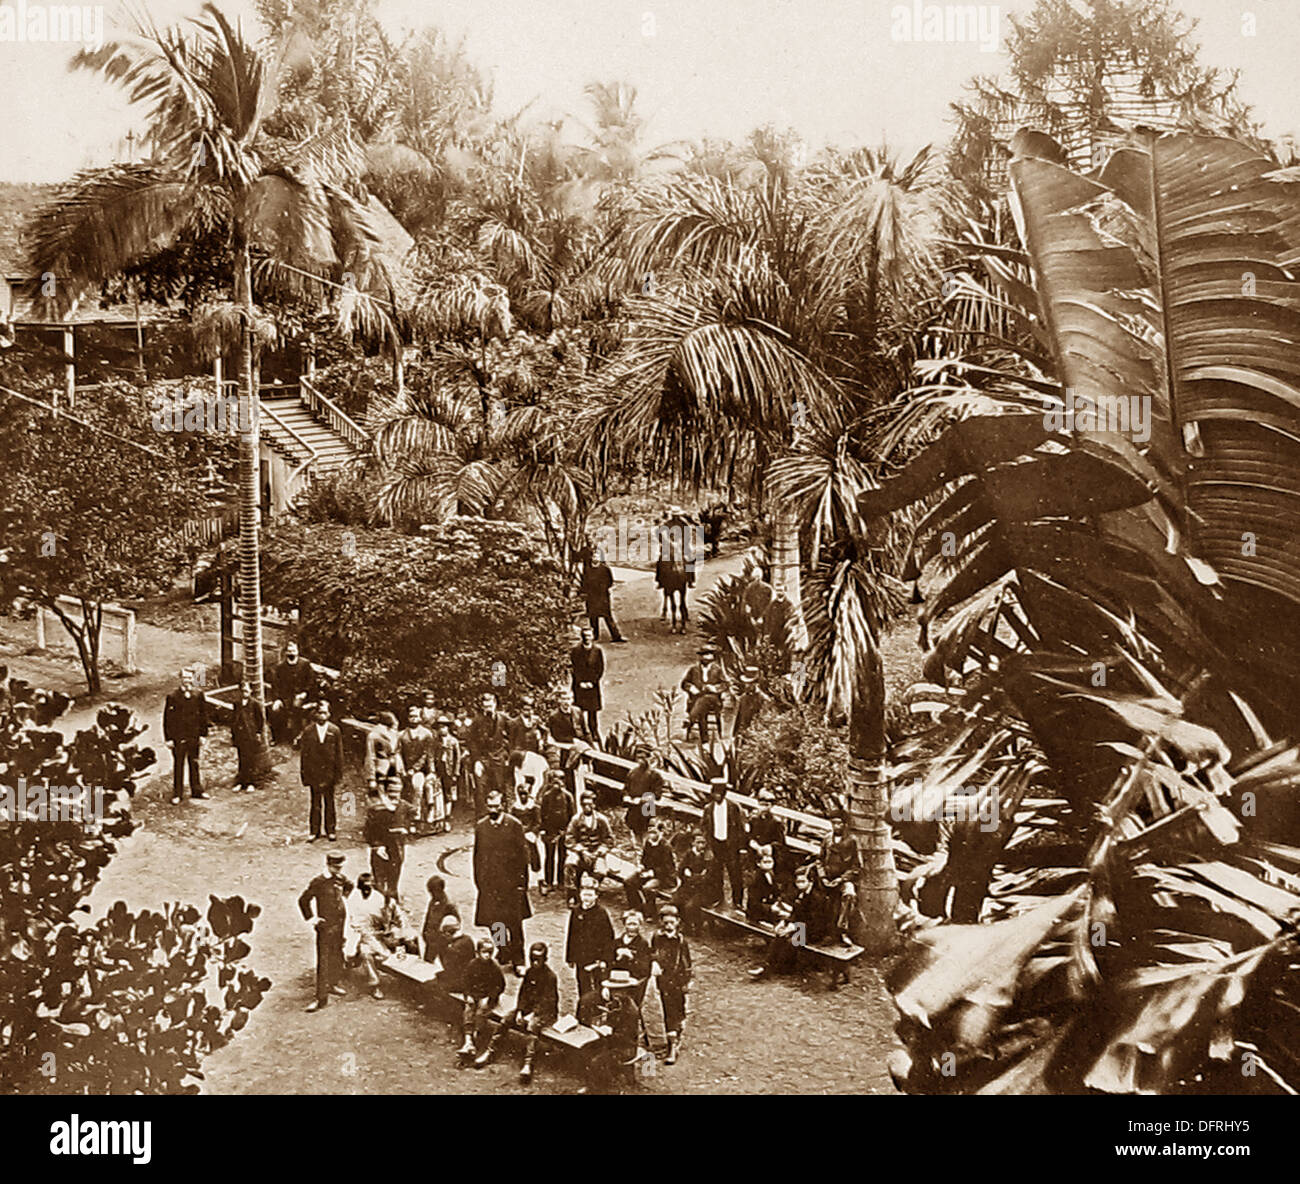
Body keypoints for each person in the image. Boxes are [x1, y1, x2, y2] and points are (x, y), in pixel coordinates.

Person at [474, 941, 559, 1081]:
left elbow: (547, 1001)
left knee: (532, 1027)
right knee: (506, 1019)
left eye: (539, 959)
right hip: (528, 1010)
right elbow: (523, 994)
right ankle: (490, 1052)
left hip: (545, 1013)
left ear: (545, 959)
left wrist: (531, 1015)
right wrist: (519, 1011)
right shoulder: (530, 972)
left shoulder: (550, 977)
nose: (535, 963)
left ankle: (528, 1063)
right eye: (533, 959)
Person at [473, 789, 532, 973]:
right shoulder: (481, 827)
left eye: (496, 806)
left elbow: (523, 856)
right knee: (495, 922)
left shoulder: (514, 825)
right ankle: (504, 950)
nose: (493, 810)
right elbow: (478, 856)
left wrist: (523, 884)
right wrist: (480, 882)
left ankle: (519, 960)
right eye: (489, 806)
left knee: (514, 923)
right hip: (491, 886)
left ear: (503, 806)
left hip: (511, 885)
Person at [748, 865, 839, 983]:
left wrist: (794, 927)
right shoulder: (801, 894)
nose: (799, 884)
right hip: (803, 928)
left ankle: (782, 968)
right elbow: (796, 914)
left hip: (816, 933)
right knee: (780, 935)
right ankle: (767, 966)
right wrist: (784, 922)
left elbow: (817, 924)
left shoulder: (818, 898)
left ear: (810, 882)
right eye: (797, 881)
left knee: (793, 941)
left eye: (802, 881)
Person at [299, 851, 353, 1011]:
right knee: (324, 960)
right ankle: (320, 997)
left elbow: (349, 886)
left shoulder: (341, 878)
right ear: (329, 865)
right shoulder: (319, 882)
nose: (339, 870)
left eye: (341, 867)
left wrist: (344, 899)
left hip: (340, 923)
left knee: (337, 953)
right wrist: (312, 918)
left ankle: (333, 984)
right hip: (326, 926)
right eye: (336, 867)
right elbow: (303, 900)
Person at [582, 969, 645, 1092]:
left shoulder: (630, 1011)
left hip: (625, 1048)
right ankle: (594, 1086)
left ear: (626, 990)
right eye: (614, 990)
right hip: (612, 1042)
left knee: (597, 1062)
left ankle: (610, 1090)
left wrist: (609, 1033)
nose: (617, 993)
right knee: (587, 1051)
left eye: (620, 990)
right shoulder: (617, 1003)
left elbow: (627, 1038)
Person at [650, 905, 692, 1064]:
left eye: (671, 923)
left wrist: (686, 981)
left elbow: (687, 962)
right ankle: (671, 1044)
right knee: (668, 1010)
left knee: (678, 1007)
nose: (668, 926)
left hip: (678, 979)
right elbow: (653, 952)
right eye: (665, 922)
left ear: (677, 922)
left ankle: (677, 1034)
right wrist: (654, 962)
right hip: (664, 979)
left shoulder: (681, 941)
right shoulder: (656, 937)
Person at [300, 700, 344, 842]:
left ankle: (330, 830)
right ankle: (314, 831)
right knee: (315, 803)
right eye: (320, 712)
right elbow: (304, 755)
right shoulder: (308, 731)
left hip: (329, 773)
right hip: (314, 772)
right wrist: (305, 775)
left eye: (325, 712)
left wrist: (338, 774)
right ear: (315, 714)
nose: (322, 715)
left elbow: (339, 754)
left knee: (329, 802)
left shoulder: (334, 730)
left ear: (329, 714)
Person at [163, 668, 209, 804]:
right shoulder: (173, 696)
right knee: (179, 764)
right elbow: (167, 719)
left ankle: (197, 790)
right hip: (179, 737)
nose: (187, 680)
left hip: (194, 736)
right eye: (185, 678)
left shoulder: (198, 695)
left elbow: (203, 716)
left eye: (189, 678)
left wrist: (203, 735)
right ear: (180, 679)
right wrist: (169, 738)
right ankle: (177, 793)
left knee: (194, 763)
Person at [815, 814, 861, 947]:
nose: (836, 826)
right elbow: (819, 860)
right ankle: (822, 931)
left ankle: (842, 931)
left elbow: (856, 866)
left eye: (839, 823)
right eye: (834, 823)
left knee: (849, 894)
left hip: (842, 879)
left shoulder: (852, 841)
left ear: (845, 825)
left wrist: (841, 879)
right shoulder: (827, 838)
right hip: (826, 878)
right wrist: (823, 876)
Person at [700, 777, 746, 909]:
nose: (717, 796)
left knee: (735, 873)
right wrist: (708, 842)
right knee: (716, 873)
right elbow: (704, 826)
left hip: (731, 845)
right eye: (714, 793)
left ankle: (737, 901)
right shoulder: (709, 808)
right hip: (716, 844)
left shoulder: (734, 807)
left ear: (724, 794)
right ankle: (718, 898)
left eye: (719, 794)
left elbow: (741, 828)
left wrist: (741, 847)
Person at [565, 881, 615, 1001]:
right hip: (581, 956)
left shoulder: (601, 913)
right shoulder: (576, 911)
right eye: (584, 895)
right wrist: (570, 958)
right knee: (582, 983)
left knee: (598, 983)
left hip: (596, 956)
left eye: (590, 895)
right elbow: (572, 934)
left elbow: (609, 938)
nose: (586, 898)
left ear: (596, 896)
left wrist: (605, 958)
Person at [459, 936, 507, 1058]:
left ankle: (476, 1036)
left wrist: (490, 997)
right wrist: (468, 995)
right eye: (484, 952)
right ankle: (468, 1039)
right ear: (478, 953)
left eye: (490, 952)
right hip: (475, 994)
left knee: (481, 1012)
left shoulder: (494, 967)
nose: (487, 955)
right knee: (469, 1010)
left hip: (488, 997)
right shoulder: (472, 964)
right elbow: (465, 981)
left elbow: (500, 986)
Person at [564, 790, 613, 901]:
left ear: (594, 805)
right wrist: (581, 851)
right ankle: (572, 895)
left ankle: (591, 889)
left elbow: (609, 839)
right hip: (580, 853)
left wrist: (599, 851)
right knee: (569, 864)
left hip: (596, 853)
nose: (587, 807)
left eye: (589, 804)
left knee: (601, 871)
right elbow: (569, 839)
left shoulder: (601, 820)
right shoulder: (575, 820)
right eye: (584, 804)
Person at [624, 816, 677, 919]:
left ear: (661, 832)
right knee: (629, 882)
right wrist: (641, 866)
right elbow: (644, 859)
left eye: (654, 832)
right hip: (648, 872)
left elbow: (668, 869)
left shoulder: (665, 847)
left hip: (663, 877)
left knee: (648, 888)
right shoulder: (648, 843)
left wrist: (652, 873)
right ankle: (637, 907)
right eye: (650, 832)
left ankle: (651, 914)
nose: (651, 835)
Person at [467, 692, 510, 817]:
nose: (488, 709)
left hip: (498, 757)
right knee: (480, 789)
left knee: (499, 786)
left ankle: (501, 815)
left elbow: (513, 733)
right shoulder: (477, 721)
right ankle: (482, 818)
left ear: (495, 704)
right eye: (485, 707)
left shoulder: (503, 718)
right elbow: (471, 742)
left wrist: (507, 754)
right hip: (482, 759)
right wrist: (476, 761)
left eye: (490, 706)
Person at [347, 871, 388, 1000]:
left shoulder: (378, 898)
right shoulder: (353, 898)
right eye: (364, 889)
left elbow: (383, 920)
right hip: (356, 933)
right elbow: (350, 920)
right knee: (364, 953)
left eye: (369, 888)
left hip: (374, 933)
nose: (366, 892)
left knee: (385, 954)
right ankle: (374, 984)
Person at [364, 789, 411, 901]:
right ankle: (381, 901)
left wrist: (405, 828)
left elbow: (413, 814)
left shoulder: (403, 806)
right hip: (380, 848)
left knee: (394, 876)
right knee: (379, 876)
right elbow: (369, 832)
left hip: (396, 846)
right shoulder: (375, 810)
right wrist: (378, 845)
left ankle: (392, 898)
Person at [538, 769, 575, 898]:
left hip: (563, 831)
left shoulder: (568, 796)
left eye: (560, 780)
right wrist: (543, 830)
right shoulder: (547, 796)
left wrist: (567, 831)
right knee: (549, 856)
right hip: (550, 831)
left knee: (562, 856)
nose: (557, 783)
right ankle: (549, 882)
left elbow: (572, 815)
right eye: (555, 780)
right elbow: (542, 815)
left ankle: (560, 882)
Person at [270, 641, 316, 744]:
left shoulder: (305, 664)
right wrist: (277, 699)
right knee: (274, 710)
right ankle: (277, 737)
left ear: (298, 651)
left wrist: (305, 692)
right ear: (286, 653)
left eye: (294, 650)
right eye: (289, 651)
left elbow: (311, 681)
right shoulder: (280, 667)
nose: (292, 653)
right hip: (286, 698)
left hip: (301, 696)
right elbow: (276, 685)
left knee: (297, 708)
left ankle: (296, 738)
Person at [674, 833, 721, 935]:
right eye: (698, 842)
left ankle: (696, 927)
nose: (701, 845)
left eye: (703, 843)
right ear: (693, 843)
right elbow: (681, 870)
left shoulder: (709, 857)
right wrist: (692, 875)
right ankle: (686, 925)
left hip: (704, 890)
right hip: (688, 887)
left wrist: (691, 876)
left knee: (691, 906)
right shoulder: (689, 854)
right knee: (676, 901)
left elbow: (708, 877)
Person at [397, 706, 434, 832]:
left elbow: (427, 754)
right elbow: (398, 753)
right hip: (403, 769)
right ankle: (399, 820)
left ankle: (415, 817)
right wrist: (401, 769)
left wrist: (417, 769)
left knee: (417, 787)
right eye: (411, 716)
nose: (414, 719)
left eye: (416, 716)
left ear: (421, 718)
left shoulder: (427, 734)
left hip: (420, 770)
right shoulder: (401, 735)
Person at [613, 909, 654, 1017]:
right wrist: (617, 956)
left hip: (634, 981)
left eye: (635, 924)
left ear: (640, 925)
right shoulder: (617, 942)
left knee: (629, 1006)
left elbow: (645, 969)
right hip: (616, 980)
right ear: (624, 925)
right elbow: (609, 962)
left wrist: (632, 958)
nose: (632, 927)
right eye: (629, 924)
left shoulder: (643, 944)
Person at [680, 646, 726, 740]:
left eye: (709, 655)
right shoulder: (693, 669)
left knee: (704, 700)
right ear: (700, 657)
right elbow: (684, 683)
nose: (706, 657)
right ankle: (704, 739)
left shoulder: (717, 669)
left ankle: (690, 719)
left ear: (712, 657)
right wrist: (692, 688)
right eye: (704, 655)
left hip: (713, 699)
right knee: (701, 706)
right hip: (697, 698)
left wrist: (714, 688)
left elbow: (725, 684)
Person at [570, 627, 606, 742]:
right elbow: (574, 668)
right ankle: (580, 733)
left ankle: (594, 732)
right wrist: (581, 682)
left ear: (593, 637)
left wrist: (592, 682)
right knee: (579, 710)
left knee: (592, 711)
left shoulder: (597, 651)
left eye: (589, 635)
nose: (587, 638)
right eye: (585, 636)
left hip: (592, 686)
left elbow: (600, 669)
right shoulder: (575, 651)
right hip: (579, 685)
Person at [746, 787, 789, 884]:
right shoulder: (753, 820)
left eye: (767, 805)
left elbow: (780, 842)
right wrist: (753, 844)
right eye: (761, 805)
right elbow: (749, 835)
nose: (763, 808)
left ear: (771, 807)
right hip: (756, 853)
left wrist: (770, 847)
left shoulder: (776, 822)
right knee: (755, 881)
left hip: (770, 855)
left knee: (770, 880)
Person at [581, 551, 626, 643]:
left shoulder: (605, 569)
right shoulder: (588, 570)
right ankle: (595, 636)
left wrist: (603, 588)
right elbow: (585, 582)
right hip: (592, 597)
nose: (595, 559)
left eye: (597, 557)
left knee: (608, 616)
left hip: (603, 596)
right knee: (593, 617)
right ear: (591, 558)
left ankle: (616, 636)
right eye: (594, 557)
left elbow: (610, 581)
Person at [229, 680, 264, 793]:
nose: (245, 692)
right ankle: (240, 782)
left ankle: (251, 783)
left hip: (251, 735)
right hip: (240, 735)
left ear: (251, 691)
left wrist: (258, 733)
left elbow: (260, 720)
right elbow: (234, 719)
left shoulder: (255, 704)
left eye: (247, 690)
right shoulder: (237, 703)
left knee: (250, 760)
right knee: (241, 759)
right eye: (243, 690)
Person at [623, 748, 666, 841]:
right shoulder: (632, 773)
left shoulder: (655, 775)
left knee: (647, 830)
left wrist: (642, 799)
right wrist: (626, 796)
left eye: (643, 758)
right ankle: (638, 849)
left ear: (649, 758)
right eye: (638, 758)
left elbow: (657, 794)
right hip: (634, 807)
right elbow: (626, 788)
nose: (640, 760)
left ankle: (647, 848)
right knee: (634, 828)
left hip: (648, 807)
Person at [430, 714, 460, 832]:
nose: (442, 729)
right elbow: (431, 756)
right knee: (437, 793)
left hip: (450, 771)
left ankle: (447, 818)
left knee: (449, 795)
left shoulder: (453, 741)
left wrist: (456, 773)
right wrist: (432, 769)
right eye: (439, 727)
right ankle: (439, 819)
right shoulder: (435, 742)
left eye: (444, 727)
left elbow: (457, 759)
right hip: (438, 770)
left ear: (448, 728)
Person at [421, 875, 461, 965]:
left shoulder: (449, 905)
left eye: (433, 891)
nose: (431, 894)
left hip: (442, 940)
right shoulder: (433, 901)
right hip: (431, 939)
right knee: (427, 962)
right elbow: (428, 917)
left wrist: (446, 937)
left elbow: (456, 923)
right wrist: (424, 931)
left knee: (446, 963)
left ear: (439, 890)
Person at [366, 711, 404, 801]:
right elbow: (370, 756)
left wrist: (401, 767)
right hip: (381, 771)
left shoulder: (395, 735)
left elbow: (398, 751)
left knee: (395, 797)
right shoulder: (374, 735)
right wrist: (371, 778)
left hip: (395, 770)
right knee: (379, 799)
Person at [434, 915, 475, 994]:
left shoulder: (453, 949)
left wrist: (442, 948)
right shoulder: (468, 939)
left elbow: (447, 966)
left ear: (448, 933)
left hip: (460, 981)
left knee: (432, 985)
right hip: (469, 978)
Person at [745, 851, 783, 924]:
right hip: (758, 914)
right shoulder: (756, 879)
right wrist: (770, 908)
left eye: (770, 862)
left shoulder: (771, 875)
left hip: (769, 908)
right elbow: (753, 903)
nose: (769, 865)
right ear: (758, 863)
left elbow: (775, 892)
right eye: (765, 862)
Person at [733, 666, 766, 738]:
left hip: (758, 734)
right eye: (746, 683)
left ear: (756, 684)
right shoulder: (742, 698)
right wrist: (735, 735)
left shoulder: (763, 699)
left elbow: (765, 719)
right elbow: (738, 719)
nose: (747, 686)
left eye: (750, 683)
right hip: (743, 734)